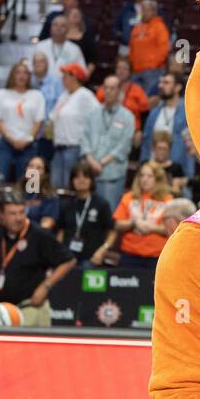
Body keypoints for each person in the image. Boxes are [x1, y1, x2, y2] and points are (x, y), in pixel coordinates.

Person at [0, 189, 75, 328]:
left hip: (29, 308)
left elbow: (68, 260)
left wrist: (45, 286)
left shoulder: (38, 234)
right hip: (2, 311)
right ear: (1, 215)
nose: (18, 218)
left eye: (22, 212)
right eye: (12, 213)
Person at [82, 74, 138, 213]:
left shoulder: (128, 117)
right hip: (89, 172)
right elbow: (84, 139)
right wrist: (91, 161)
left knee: (109, 213)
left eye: (112, 88)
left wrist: (100, 163)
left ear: (119, 91)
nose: (108, 91)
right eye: (105, 87)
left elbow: (124, 146)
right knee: (88, 213)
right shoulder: (91, 114)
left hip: (112, 174)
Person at [107, 161, 174, 269]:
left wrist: (152, 228)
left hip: (157, 256)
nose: (144, 179)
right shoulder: (128, 197)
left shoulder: (167, 200)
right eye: (142, 175)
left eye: (149, 176)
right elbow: (117, 224)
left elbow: (172, 229)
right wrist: (134, 223)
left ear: (158, 179)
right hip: (130, 255)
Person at [0, 60, 45, 186]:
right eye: (18, 72)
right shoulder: (1, 94)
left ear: (29, 76)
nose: (21, 75)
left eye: (25, 73)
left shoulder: (37, 95)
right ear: (12, 75)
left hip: (29, 145)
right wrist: (10, 138)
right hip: (4, 144)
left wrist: (28, 139)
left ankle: (32, 205)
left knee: (32, 184)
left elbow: (39, 121)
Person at [49, 62, 100, 189]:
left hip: (74, 147)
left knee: (70, 184)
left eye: (65, 76)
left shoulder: (85, 95)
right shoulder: (64, 95)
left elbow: (97, 117)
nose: (62, 79)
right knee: (56, 185)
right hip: (59, 147)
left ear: (74, 77)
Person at [59, 162, 115, 267]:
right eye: (77, 177)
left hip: (92, 257)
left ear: (91, 180)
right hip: (67, 257)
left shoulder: (101, 204)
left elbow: (112, 232)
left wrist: (103, 250)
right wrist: (59, 252)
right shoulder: (65, 204)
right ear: (72, 181)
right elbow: (60, 231)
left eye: (85, 176)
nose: (81, 180)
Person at [128, 0, 170, 80]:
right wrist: (132, 64)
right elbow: (131, 47)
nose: (144, 12)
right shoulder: (136, 27)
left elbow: (164, 50)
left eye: (147, 10)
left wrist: (152, 65)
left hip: (153, 71)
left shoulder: (160, 27)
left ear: (154, 12)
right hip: (136, 71)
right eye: (143, 9)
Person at [19, 156, 59, 231]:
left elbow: (47, 224)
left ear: (45, 174)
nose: (33, 170)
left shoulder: (50, 196)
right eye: (31, 166)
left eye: (38, 168)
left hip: (38, 237)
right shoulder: (17, 192)